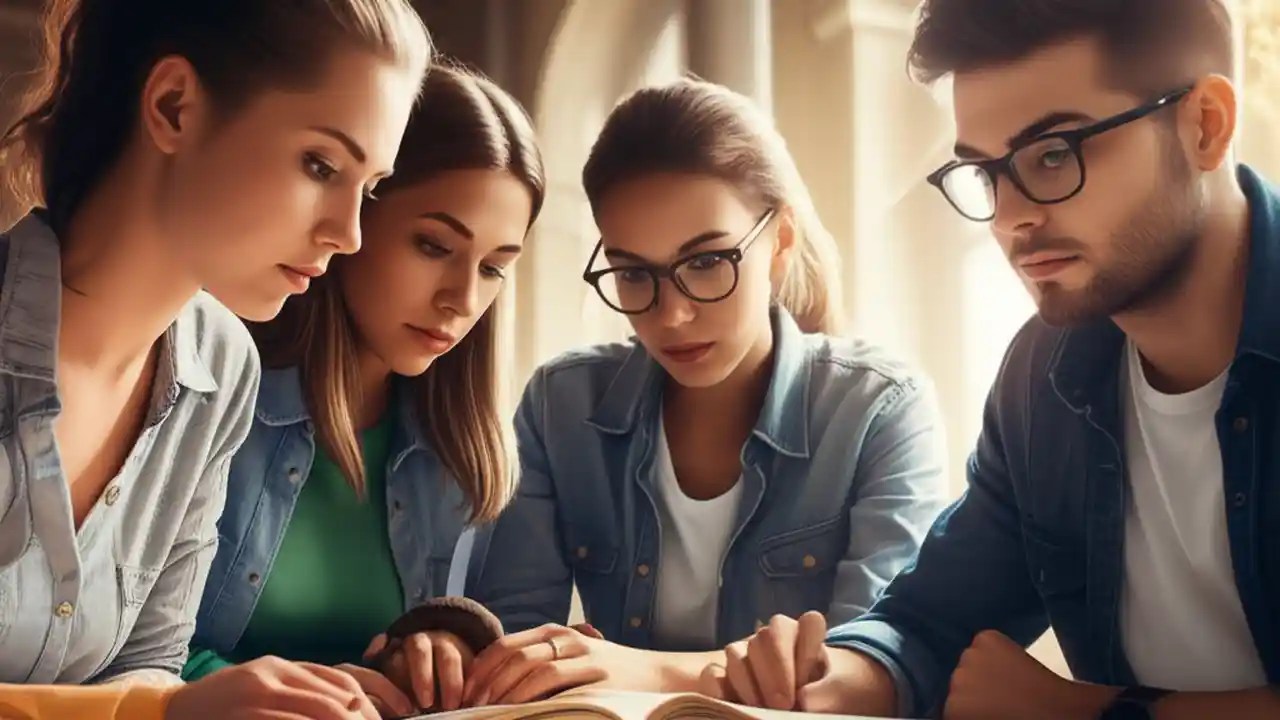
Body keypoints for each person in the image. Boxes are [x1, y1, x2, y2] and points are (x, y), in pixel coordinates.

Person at [704, 2, 1280, 719]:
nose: (1010, 218)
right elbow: (933, 622)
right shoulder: (1047, 375)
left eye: (1053, 155)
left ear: (1205, 126)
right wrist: (830, 675)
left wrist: (1088, 712)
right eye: (986, 173)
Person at [452, 78, 948, 707]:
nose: (672, 315)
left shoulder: (880, 409)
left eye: (708, 262)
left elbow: (867, 671)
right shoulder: (562, 405)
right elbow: (518, 651)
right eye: (634, 274)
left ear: (780, 244)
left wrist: (643, 670)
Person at [0, 1, 430, 719]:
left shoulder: (223, 371)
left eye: (370, 188)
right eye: (320, 164)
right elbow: (145, 703)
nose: (350, 233)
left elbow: (148, 661)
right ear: (174, 107)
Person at [184, 63, 545, 718]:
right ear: (351, 215)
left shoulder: (461, 456)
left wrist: (427, 651)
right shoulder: (205, 396)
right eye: (433, 245)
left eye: (494, 267)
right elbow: (117, 650)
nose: (463, 300)